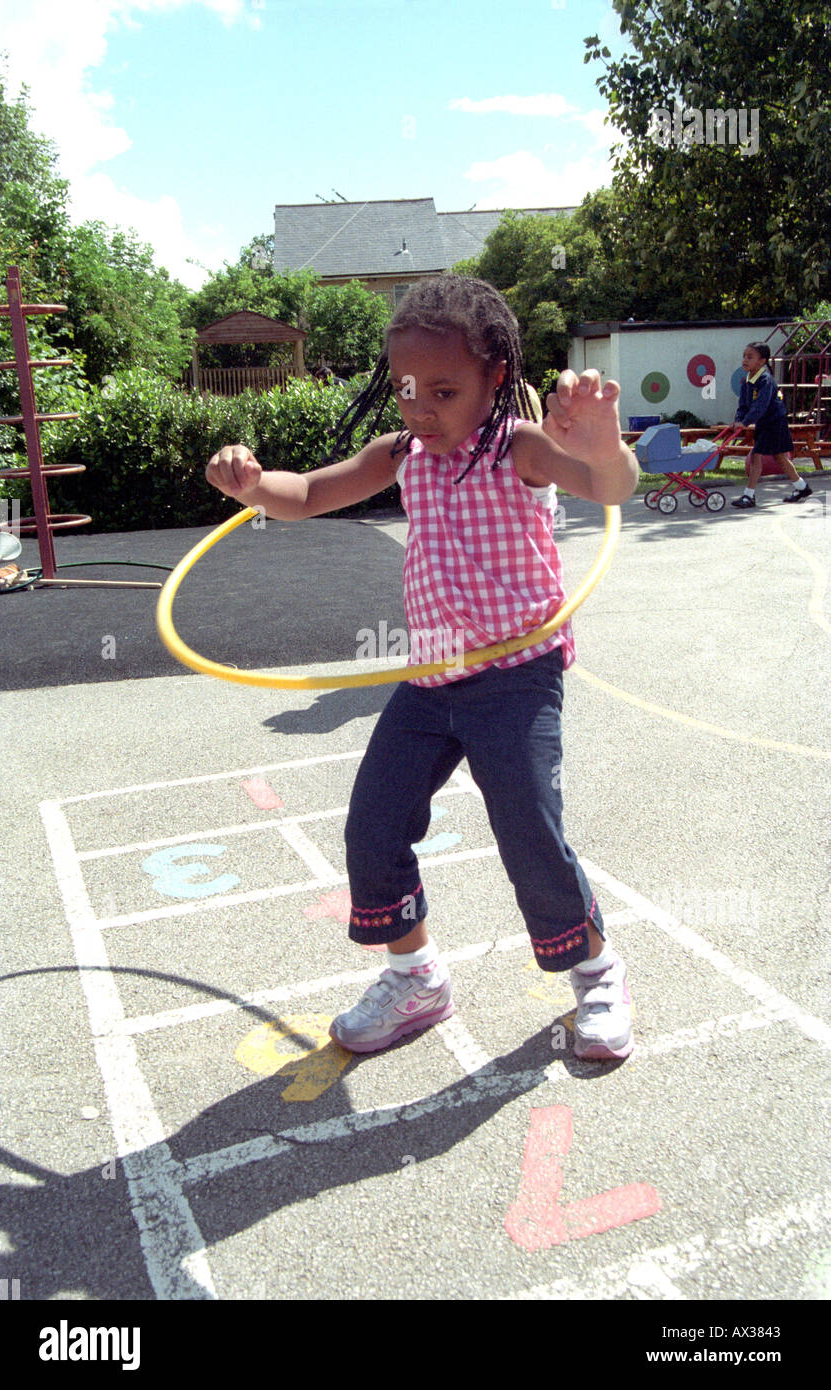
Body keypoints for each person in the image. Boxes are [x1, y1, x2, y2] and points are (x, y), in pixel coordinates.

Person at [205, 275, 639, 1061]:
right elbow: (304, 493)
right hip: (432, 675)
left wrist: (602, 447)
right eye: (405, 387)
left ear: (496, 377)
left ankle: (596, 971)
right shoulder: (401, 453)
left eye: (444, 389)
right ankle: (417, 974)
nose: (419, 407)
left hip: (516, 673)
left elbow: (609, 486)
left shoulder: (521, 448)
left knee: (527, 824)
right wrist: (251, 484)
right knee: (373, 822)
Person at [731, 343, 811, 508]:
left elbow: (760, 406)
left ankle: (749, 495)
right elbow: (743, 405)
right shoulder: (747, 381)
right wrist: (739, 418)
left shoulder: (765, 380)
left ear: (761, 361)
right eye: (744, 356)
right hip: (765, 423)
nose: (745, 360)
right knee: (779, 457)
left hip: (774, 423)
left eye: (750, 357)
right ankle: (802, 487)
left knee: (756, 456)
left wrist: (745, 422)